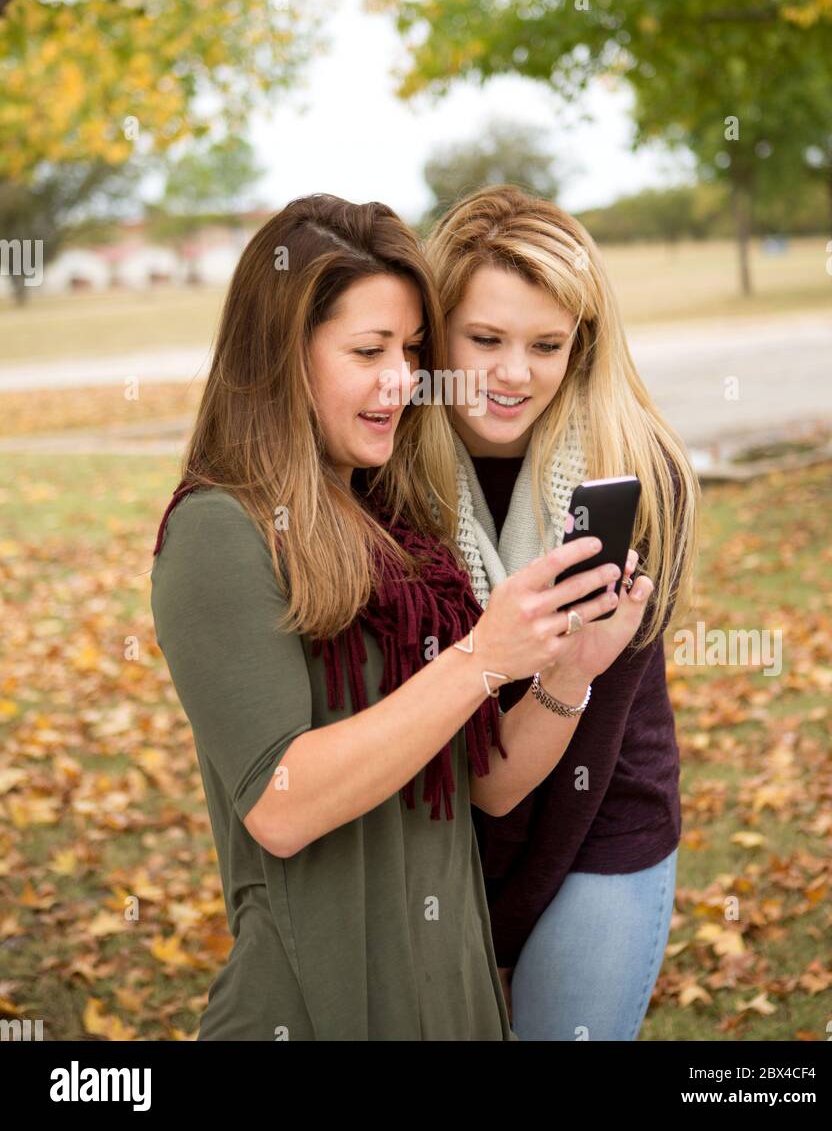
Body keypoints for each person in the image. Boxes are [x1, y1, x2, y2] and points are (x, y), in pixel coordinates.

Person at [150, 193, 656, 1041]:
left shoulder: (399, 526)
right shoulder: (215, 532)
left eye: (414, 350)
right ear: (280, 355)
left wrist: (572, 670)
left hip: (453, 1002)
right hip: (318, 1007)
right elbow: (280, 807)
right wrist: (479, 660)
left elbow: (485, 786)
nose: (403, 380)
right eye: (368, 350)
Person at [423, 184, 701, 1041]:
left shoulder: (631, 471)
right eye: (485, 339)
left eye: (547, 344)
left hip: (600, 816)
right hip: (442, 832)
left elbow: (593, 727)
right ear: (435, 334)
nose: (514, 373)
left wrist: (512, 934)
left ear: (581, 345)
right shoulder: (394, 469)